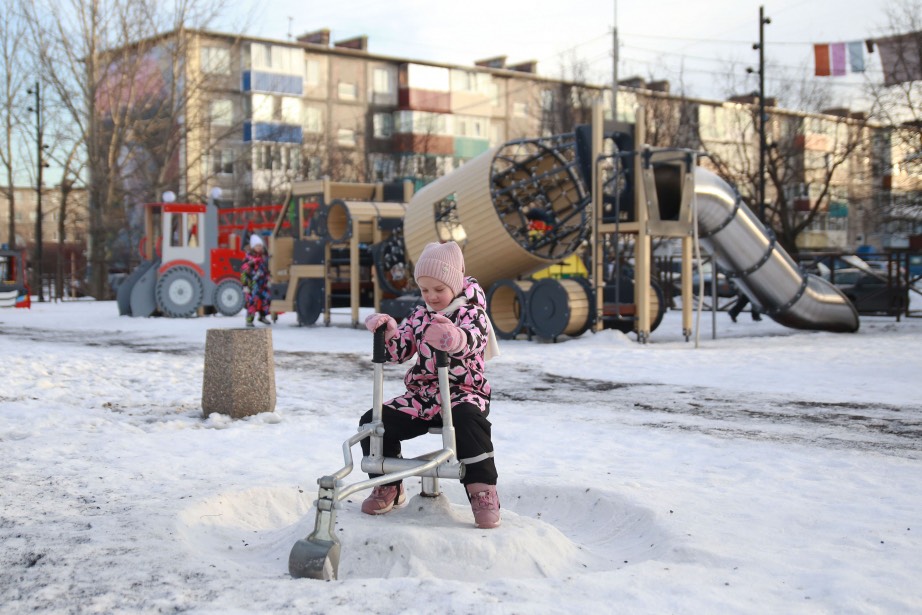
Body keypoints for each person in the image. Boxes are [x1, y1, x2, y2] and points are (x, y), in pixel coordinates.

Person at [360, 241, 502, 529]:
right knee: (372, 422)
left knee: (468, 422)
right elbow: (400, 351)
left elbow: (474, 338)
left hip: (464, 392)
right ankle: (388, 484)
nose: (431, 297)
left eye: (439, 290)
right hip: (424, 396)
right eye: (425, 290)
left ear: (456, 283)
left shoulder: (471, 313)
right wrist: (389, 333)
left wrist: (455, 338)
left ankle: (482, 489)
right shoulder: (420, 315)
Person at [240, 234, 271, 327]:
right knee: (252, 301)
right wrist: (245, 285)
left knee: (266, 299)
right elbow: (244, 272)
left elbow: (267, 269)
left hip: (263, 282)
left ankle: (263, 316)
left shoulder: (264, 257)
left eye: (260, 245)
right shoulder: (249, 258)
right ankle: (249, 320)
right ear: (253, 247)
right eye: (257, 246)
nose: (259, 247)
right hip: (252, 284)